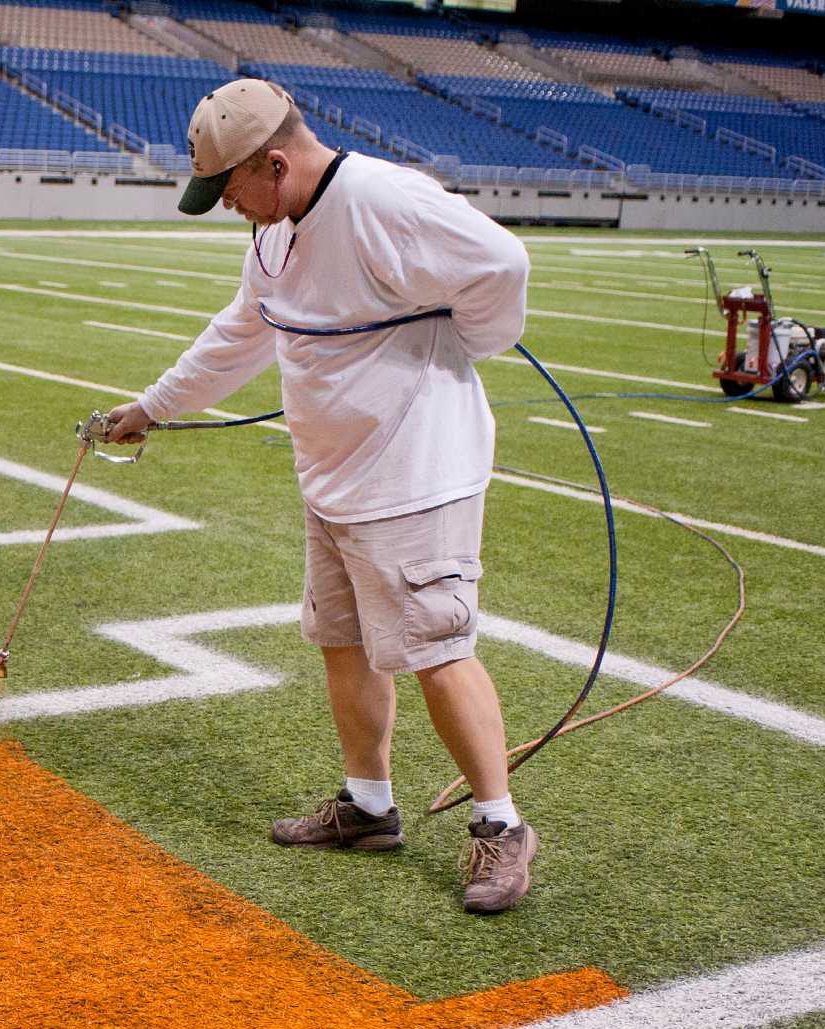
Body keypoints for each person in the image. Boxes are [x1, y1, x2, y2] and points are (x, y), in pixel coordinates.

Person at [104, 79, 537, 913]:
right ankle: (369, 806)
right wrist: (152, 406)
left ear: (274, 163)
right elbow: (241, 331)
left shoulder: (382, 199)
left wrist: (468, 340)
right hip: (334, 478)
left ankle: (501, 824)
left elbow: (504, 264)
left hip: (413, 475)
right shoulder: (273, 235)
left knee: (437, 647)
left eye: (230, 188)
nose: (227, 205)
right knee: (343, 640)